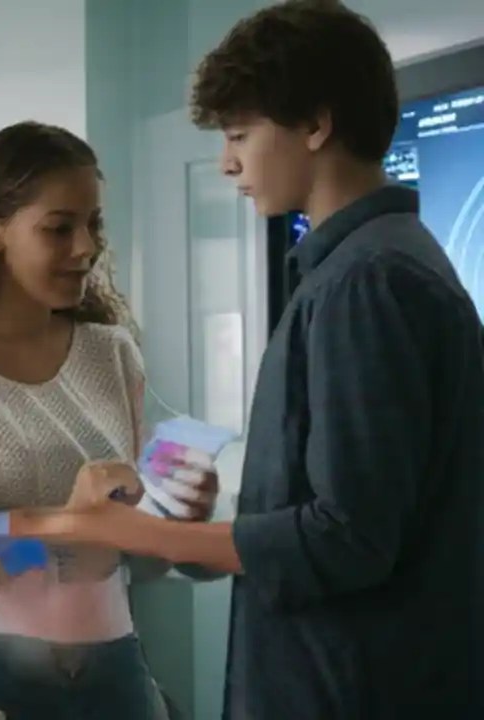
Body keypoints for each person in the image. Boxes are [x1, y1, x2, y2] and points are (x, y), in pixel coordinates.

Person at [50, 2, 484, 718]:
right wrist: (191, 535)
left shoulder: (365, 282)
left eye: (240, 135)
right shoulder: (364, 268)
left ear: (315, 125)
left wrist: (142, 534)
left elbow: (349, 537)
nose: (227, 163)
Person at [0, 121, 219, 719]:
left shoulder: (112, 351)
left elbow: (143, 555)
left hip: (115, 671)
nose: (86, 246)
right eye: (58, 228)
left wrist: (179, 516)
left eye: (94, 225)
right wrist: (75, 523)